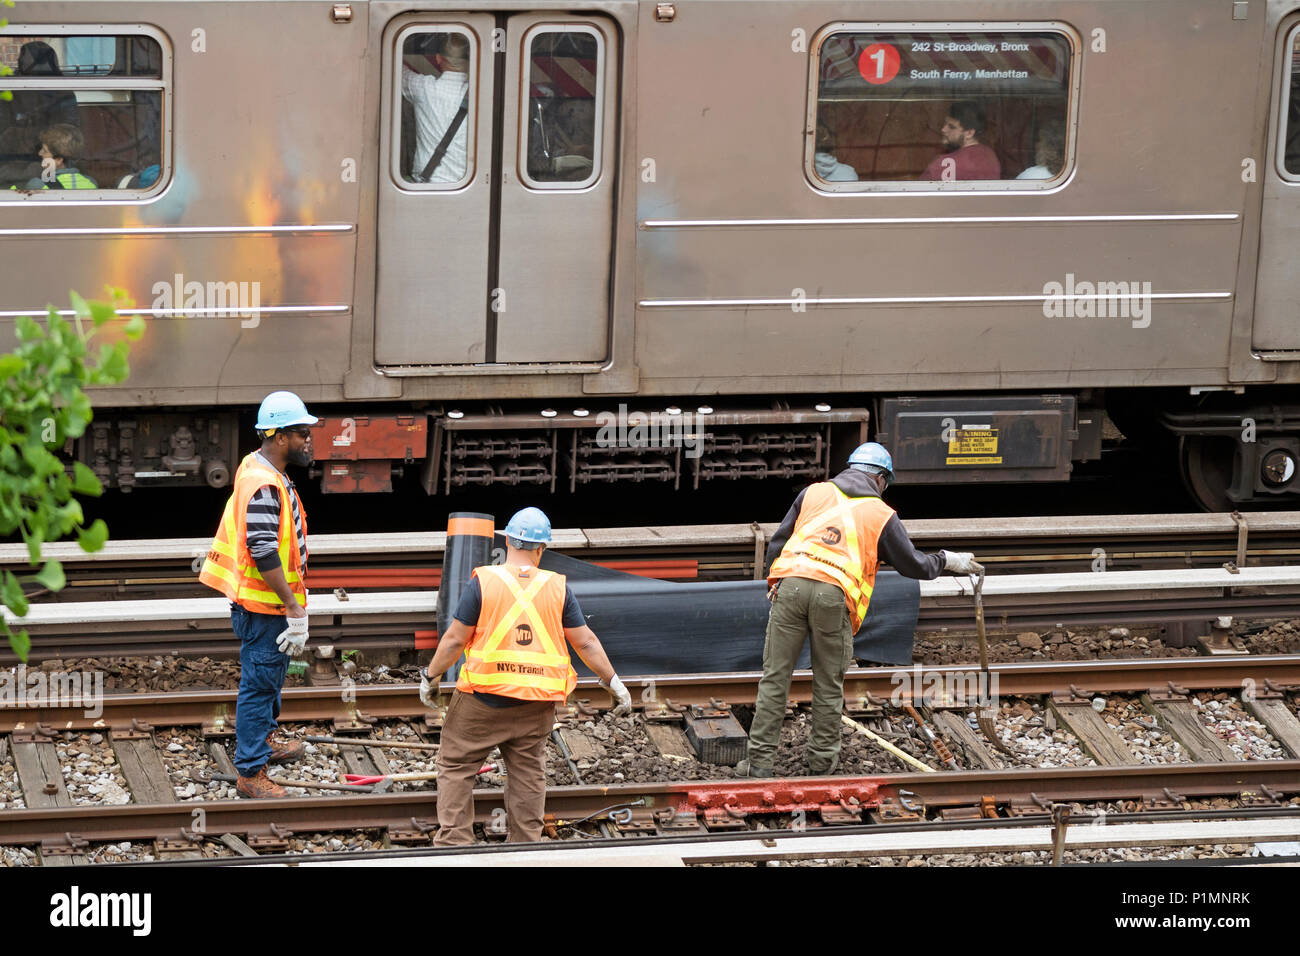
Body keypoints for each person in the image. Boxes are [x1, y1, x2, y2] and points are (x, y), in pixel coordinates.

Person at [737, 443, 981, 778]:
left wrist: (774, 584)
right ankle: (821, 764)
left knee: (775, 678)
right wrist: (948, 560)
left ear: (851, 468)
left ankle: (758, 764)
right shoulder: (880, 513)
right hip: (832, 596)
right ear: (880, 479)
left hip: (790, 586)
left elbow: (778, 543)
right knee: (827, 683)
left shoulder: (814, 492)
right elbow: (912, 564)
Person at [420, 507, 633, 844]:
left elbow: (454, 639)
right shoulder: (557, 588)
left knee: (456, 765)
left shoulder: (484, 581)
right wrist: (614, 682)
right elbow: (586, 641)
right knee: (528, 774)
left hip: (482, 700)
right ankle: (524, 845)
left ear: (506, 540)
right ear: (541, 549)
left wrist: (431, 678)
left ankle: (456, 843)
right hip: (536, 703)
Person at [198, 392, 317, 799]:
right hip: (264, 606)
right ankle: (250, 772)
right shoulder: (264, 484)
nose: (308, 440)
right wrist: (293, 605)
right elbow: (263, 549)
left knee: (270, 680)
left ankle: (262, 742)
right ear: (280, 437)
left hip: (263, 605)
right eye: (302, 433)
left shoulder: (258, 466)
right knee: (260, 685)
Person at [401, 33, 470, 183]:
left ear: (438, 58)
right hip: (467, 186)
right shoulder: (481, 95)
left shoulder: (424, 88)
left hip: (429, 185)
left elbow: (396, 68)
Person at [919, 101, 1001, 181]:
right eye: (945, 124)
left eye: (951, 127)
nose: (943, 129)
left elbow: (920, 190)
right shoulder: (989, 155)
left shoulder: (945, 163)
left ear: (969, 133)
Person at [12, 125, 97, 190]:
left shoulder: (38, 184)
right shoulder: (91, 182)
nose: (39, 153)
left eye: (45, 151)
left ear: (59, 160)